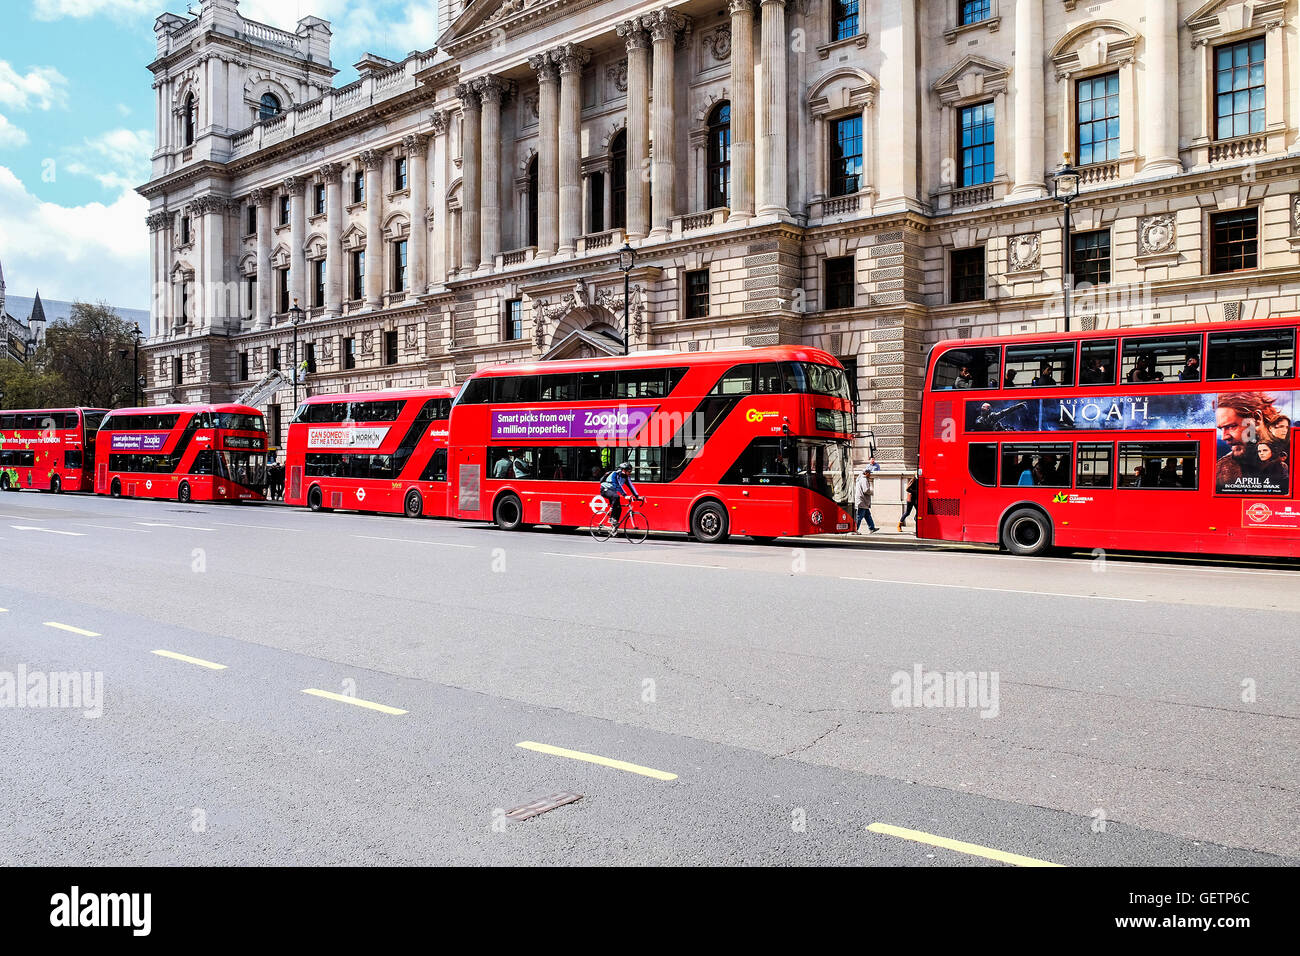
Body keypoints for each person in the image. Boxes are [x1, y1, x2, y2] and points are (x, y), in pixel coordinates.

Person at [854, 466, 878, 533]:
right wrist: (872, 492)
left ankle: (872, 528)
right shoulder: (864, 479)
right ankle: (855, 530)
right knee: (859, 517)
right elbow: (866, 490)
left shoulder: (860, 478)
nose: (870, 474)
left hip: (863, 501)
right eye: (869, 473)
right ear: (866, 473)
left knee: (867, 515)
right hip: (862, 501)